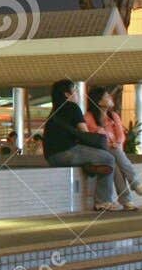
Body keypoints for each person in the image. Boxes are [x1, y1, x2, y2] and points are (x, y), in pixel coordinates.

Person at [42, 79, 119, 211]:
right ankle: (103, 201)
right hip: (67, 153)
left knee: (94, 158)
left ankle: (90, 166)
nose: (78, 94)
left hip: (51, 157)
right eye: (75, 91)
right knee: (108, 158)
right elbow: (85, 134)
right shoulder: (72, 107)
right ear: (67, 94)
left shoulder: (54, 111)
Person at [86, 85, 142, 208]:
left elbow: (121, 135)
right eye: (107, 96)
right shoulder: (88, 117)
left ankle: (127, 201)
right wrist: (112, 145)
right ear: (99, 101)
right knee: (116, 154)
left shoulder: (114, 116)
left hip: (114, 151)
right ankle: (134, 186)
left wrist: (118, 143)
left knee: (116, 168)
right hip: (99, 151)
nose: (110, 97)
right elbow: (97, 134)